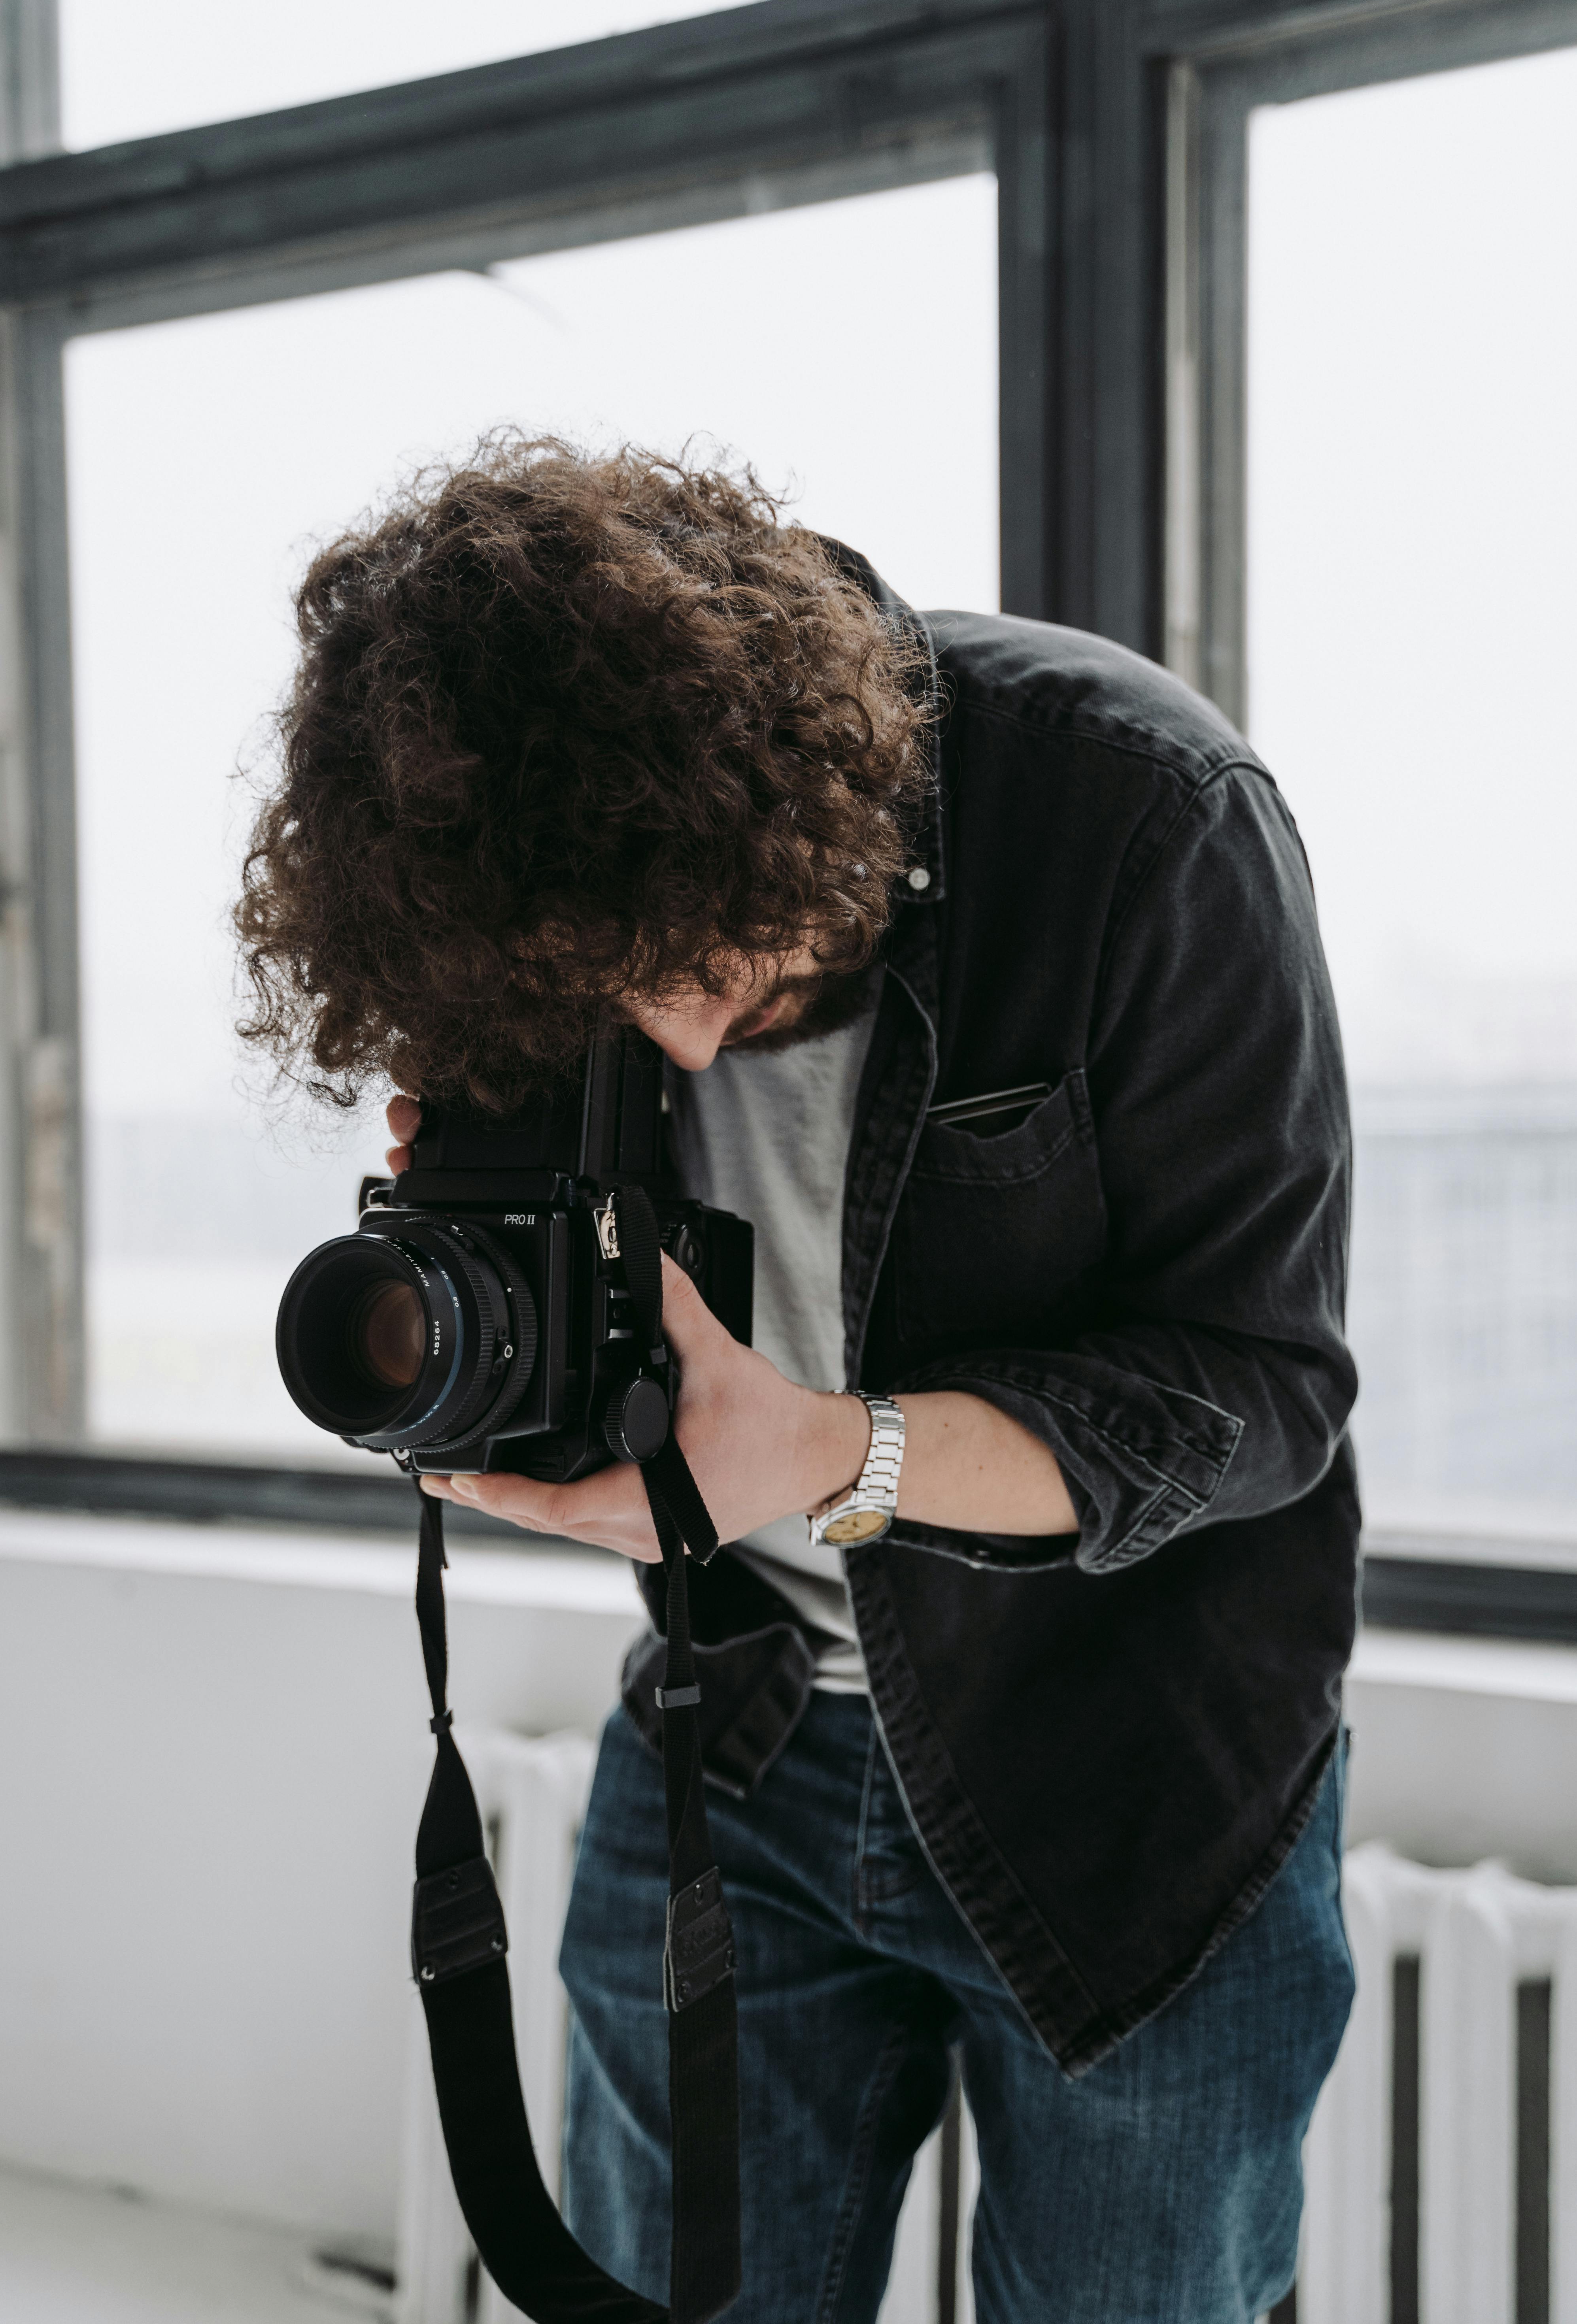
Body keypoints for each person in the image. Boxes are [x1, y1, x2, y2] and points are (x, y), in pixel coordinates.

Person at [237, 436, 1358, 2324]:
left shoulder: (1141, 815)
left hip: (1132, 1776)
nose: (677, 1028)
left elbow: (1258, 1391)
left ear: (775, 794)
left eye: (702, 957)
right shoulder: (546, 891)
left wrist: (838, 1451)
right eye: (614, 996)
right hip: (729, 1733)